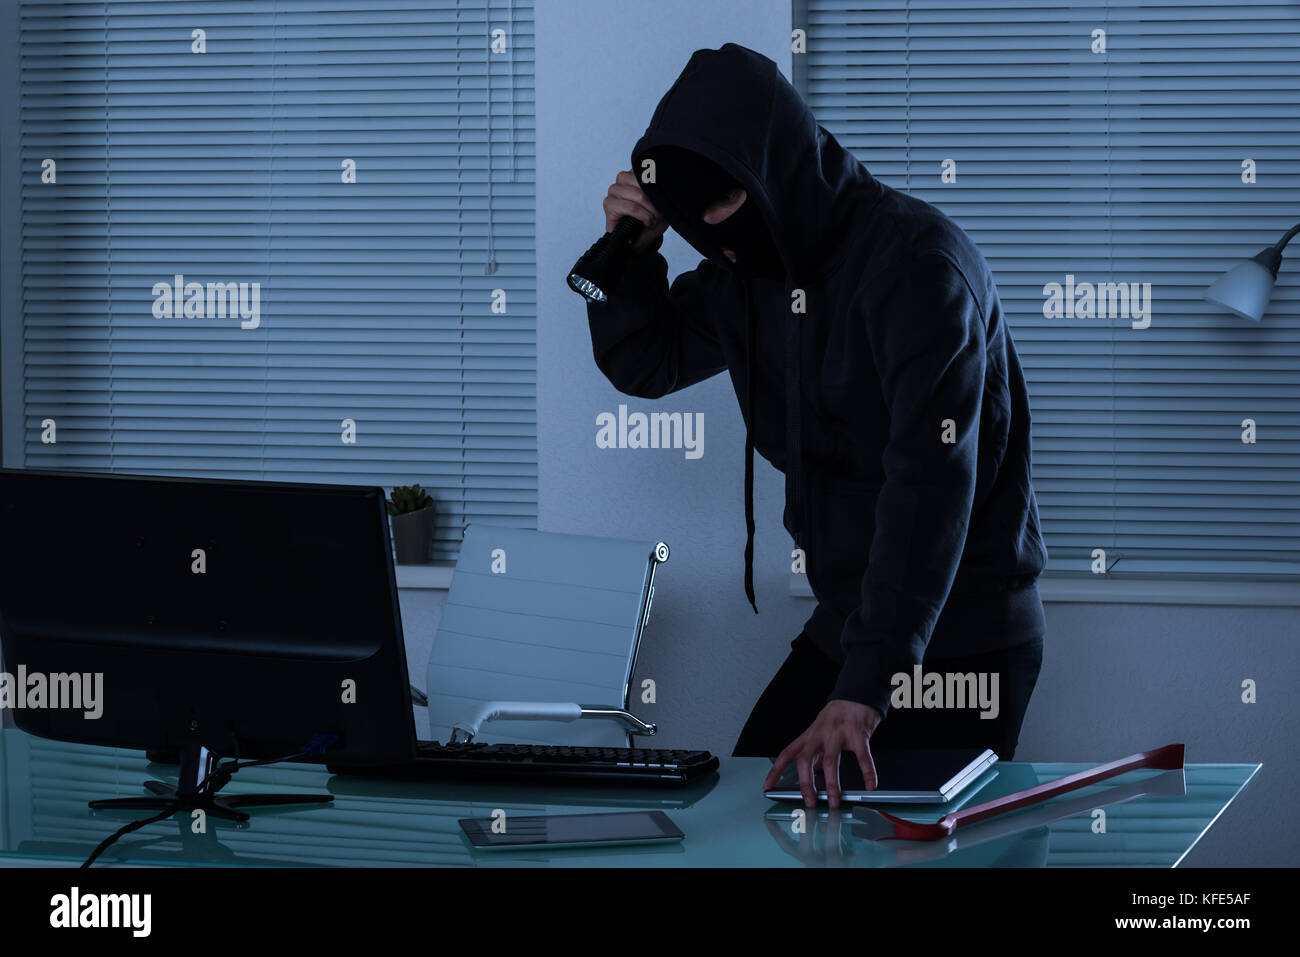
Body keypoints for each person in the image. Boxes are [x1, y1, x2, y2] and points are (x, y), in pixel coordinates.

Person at [584, 43, 1048, 808]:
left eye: (724, 203)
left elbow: (928, 491)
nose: (712, 230)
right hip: (850, 620)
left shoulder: (917, 269)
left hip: (962, 637)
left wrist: (865, 692)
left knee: (900, 847)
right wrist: (630, 256)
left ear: (778, 168)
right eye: (691, 215)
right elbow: (648, 363)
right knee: (740, 810)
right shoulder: (746, 277)